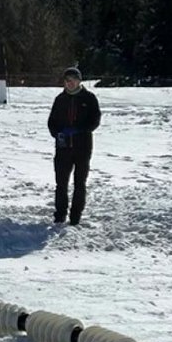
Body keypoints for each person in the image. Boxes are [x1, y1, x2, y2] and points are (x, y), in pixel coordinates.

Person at [47, 66, 102, 225]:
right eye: (67, 80)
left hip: (82, 148)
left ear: (79, 81)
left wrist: (79, 130)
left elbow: (95, 121)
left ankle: (75, 216)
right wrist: (58, 133)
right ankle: (60, 215)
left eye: (73, 80)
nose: (70, 83)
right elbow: (51, 122)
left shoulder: (89, 98)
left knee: (80, 183)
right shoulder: (60, 99)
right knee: (61, 183)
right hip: (63, 149)